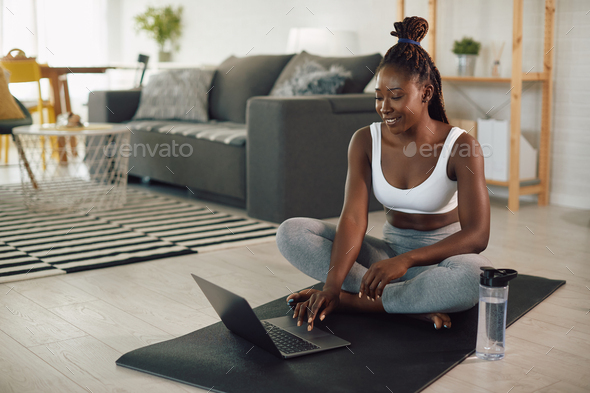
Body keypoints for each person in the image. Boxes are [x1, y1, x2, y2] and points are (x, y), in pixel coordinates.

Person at [275, 16, 493, 332]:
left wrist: (405, 262)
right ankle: (404, 303)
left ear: (426, 93)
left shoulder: (461, 145)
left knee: (474, 278)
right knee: (291, 233)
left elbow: (477, 236)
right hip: (383, 259)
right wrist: (333, 286)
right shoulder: (365, 140)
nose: (384, 107)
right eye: (379, 96)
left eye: (396, 95)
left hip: (442, 262)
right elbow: (352, 219)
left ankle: (358, 303)